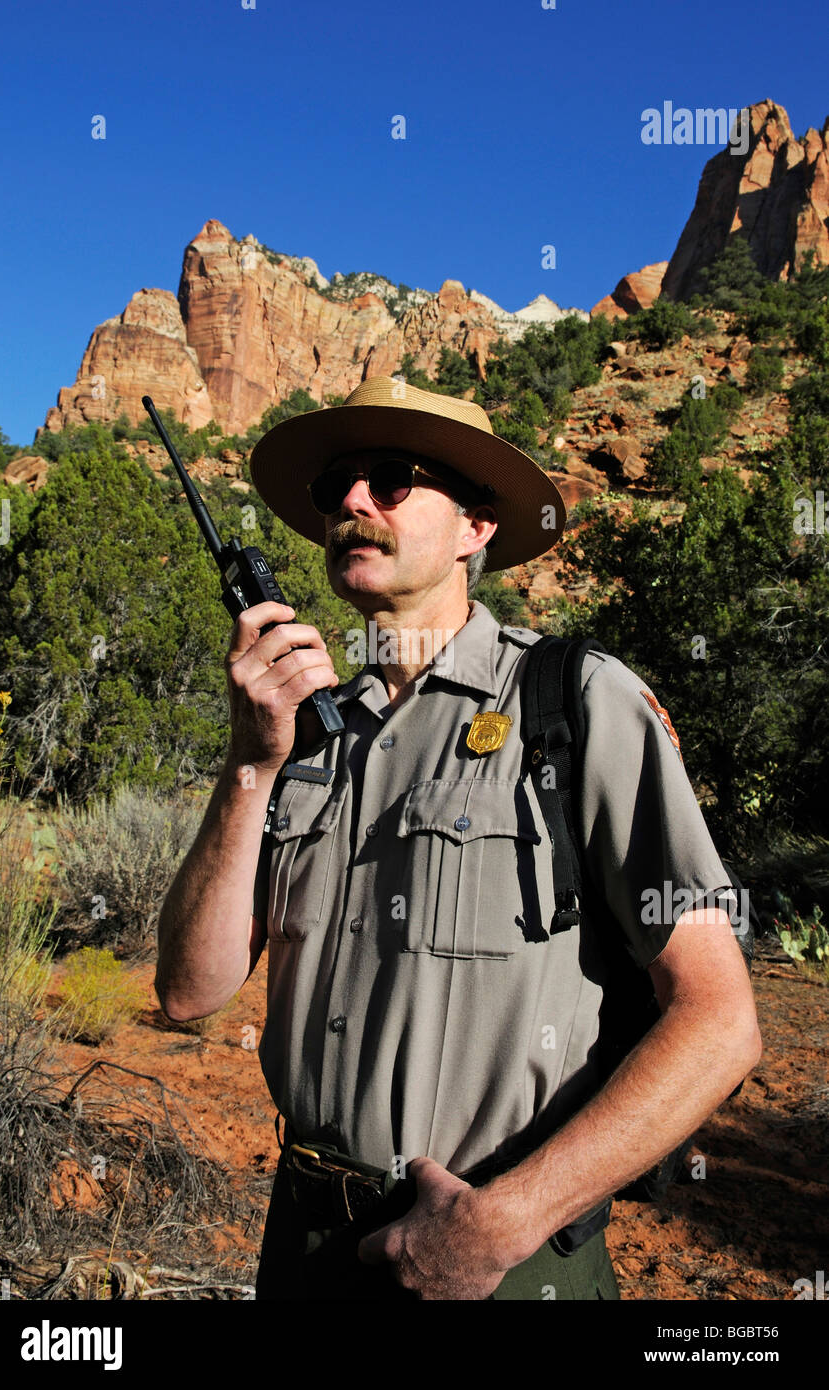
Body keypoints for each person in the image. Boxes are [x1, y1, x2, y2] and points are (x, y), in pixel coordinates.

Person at [155, 375, 761, 1301]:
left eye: (392, 480)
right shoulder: (305, 736)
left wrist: (504, 1223)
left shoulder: (576, 701)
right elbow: (190, 991)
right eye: (337, 487)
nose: (354, 502)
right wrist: (250, 759)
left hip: (500, 1263)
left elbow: (719, 1021)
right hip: (306, 1245)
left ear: (477, 528)